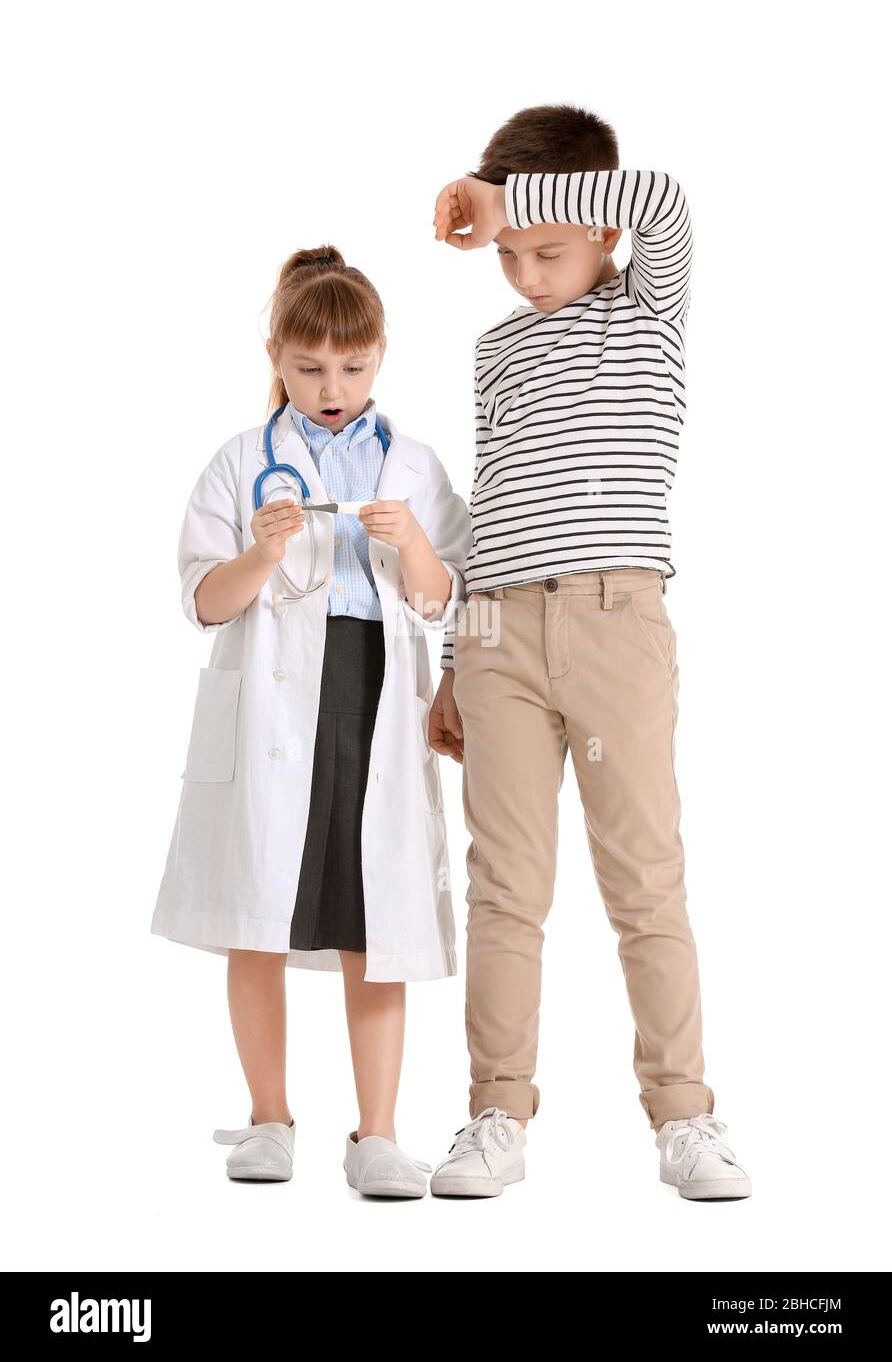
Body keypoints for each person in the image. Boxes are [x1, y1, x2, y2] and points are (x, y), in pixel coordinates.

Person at [426, 104, 751, 1202]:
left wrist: (500, 200)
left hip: (617, 624)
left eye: (544, 247)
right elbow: (486, 512)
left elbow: (662, 196)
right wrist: (447, 657)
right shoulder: (496, 349)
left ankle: (685, 1115)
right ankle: (494, 1111)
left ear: (597, 230)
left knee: (644, 881)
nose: (521, 270)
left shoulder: (647, 305)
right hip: (499, 634)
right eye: (506, 255)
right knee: (504, 887)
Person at [151, 245, 472, 1196]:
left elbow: (447, 595)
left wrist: (413, 539)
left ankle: (376, 1136)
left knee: (377, 923)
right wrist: (258, 555)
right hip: (271, 711)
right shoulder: (240, 462)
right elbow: (204, 602)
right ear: (276, 358)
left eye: (352, 367)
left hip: (373, 698)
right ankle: (269, 1121)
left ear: (380, 359)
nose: (331, 389)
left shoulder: (413, 464)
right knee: (258, 917)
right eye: (309, 368)